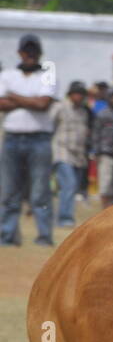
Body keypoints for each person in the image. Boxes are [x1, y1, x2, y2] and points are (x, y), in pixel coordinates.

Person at [0, 34, 58, 246]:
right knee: (8, 191)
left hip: (39, 140)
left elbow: (43, 105)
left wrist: (14, 97)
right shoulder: (7, 75)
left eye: (33, 51)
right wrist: (30, 100)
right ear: (20, 52)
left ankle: (44, 236)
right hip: (12, 138)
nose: (30, 55)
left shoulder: (47, 75)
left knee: (40, 192)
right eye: (26, 51)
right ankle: (7, 236)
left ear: (39, 53)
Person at [50, 81, 91, 229]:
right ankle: (64, 218)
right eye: (76, 93)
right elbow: (49, 126)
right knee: (69, 184)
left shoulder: (84, 112)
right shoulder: (59, 108)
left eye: (81, 94)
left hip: (78, 156)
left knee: (72, 187)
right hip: (62, 152)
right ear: (70, 94)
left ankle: (66, 216)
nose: (79, 97)